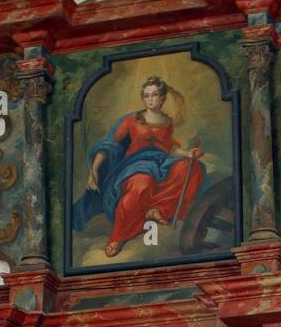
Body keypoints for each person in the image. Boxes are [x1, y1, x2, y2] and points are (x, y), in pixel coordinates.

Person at [72, 75, 205, 257]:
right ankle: (118, 236)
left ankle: (158, 209)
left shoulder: (167, 122)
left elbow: (170, 147)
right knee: (142, 183)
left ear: (163, 98)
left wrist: (188, 154)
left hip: (161, 162)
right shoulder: (131, 119)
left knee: (192, 169)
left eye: (155, 95)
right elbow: (109, 145)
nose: (150, 99)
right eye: (146, 95)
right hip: (135, 164)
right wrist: (94, 170)